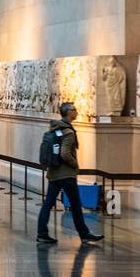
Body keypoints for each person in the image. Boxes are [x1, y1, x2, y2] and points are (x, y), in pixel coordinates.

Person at [35, 102, 103, 245]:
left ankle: (42, 233)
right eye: (74, 109)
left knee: (48, 204)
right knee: (76, 205)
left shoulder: (55, 129)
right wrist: (75, 165)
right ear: (68, 113)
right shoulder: (68, 132)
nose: (76, 111)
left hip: (54, 173)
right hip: (66, 175)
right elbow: (65, 153)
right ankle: (84, 234)